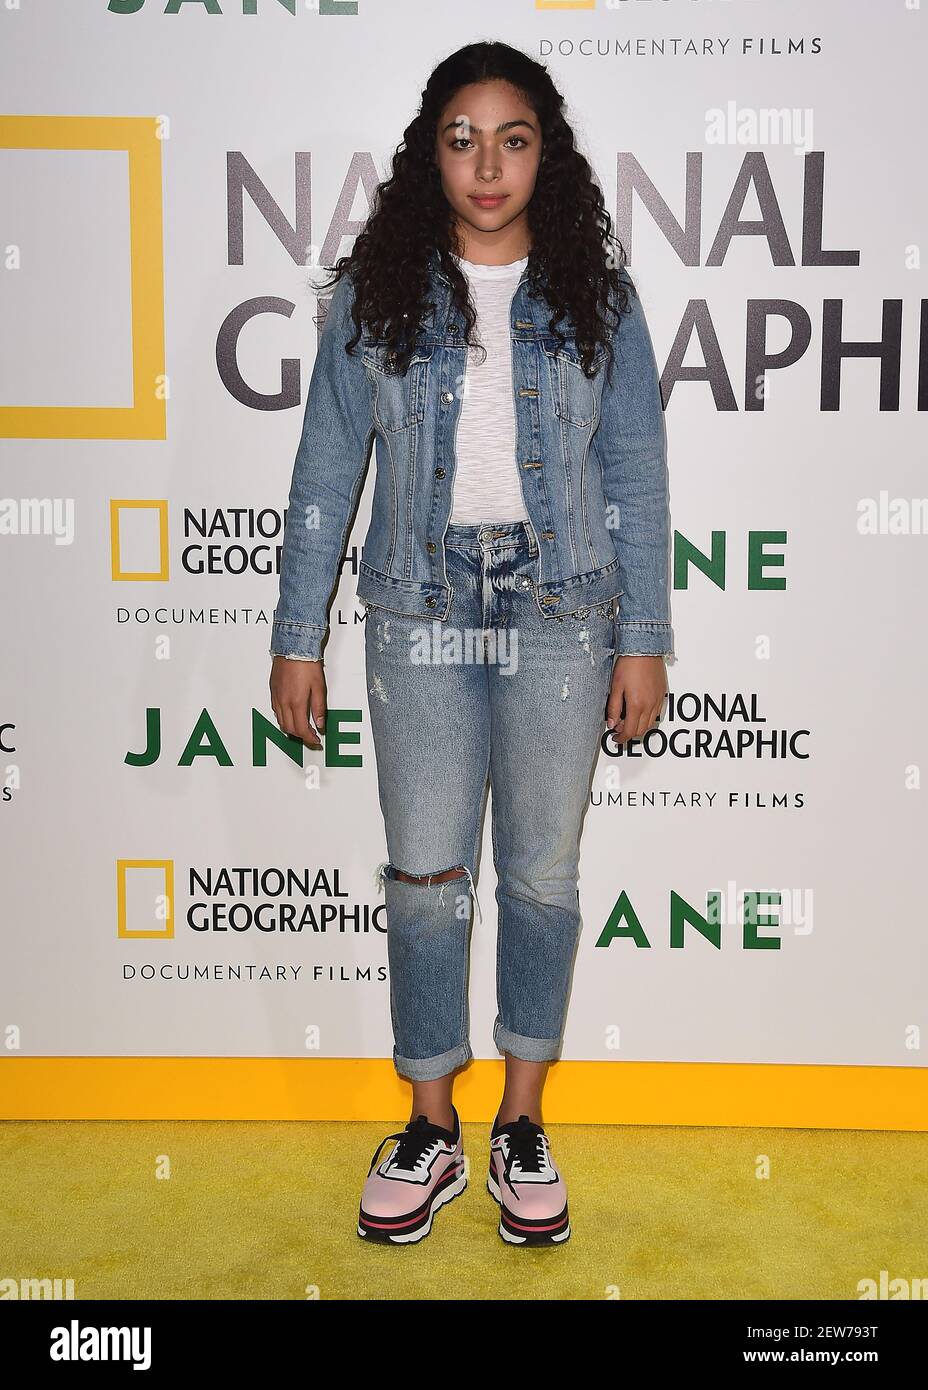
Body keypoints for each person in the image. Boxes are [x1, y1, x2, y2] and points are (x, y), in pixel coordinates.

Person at [269, 41, 674, 1248]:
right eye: (460, 138)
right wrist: (300, 635)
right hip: (417, 606)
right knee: (427, 879)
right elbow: (325, 472)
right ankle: (431, 1127)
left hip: (564, 606)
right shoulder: (376, 296)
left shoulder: (600, 299)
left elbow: (637, 479)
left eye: (511, 138)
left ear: (545, 153)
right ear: (427, 154)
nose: (485, 163)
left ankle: (522, 1120)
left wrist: (642, 636)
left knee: (542, 876)